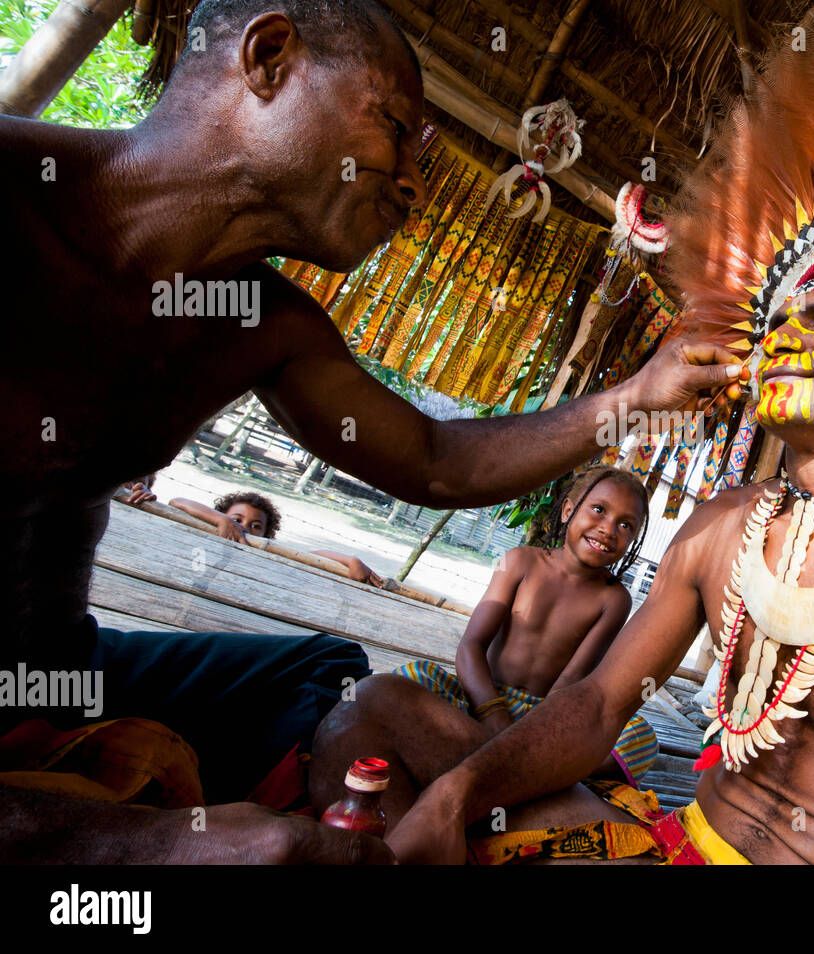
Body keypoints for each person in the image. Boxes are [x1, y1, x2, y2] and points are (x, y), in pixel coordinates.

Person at [330, 0, 814, 864]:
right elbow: (601, 706)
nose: (786, 337)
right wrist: (461, 795)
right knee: (372, 713)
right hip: (676, 843)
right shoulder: (720, 527)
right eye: (776, 322)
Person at [0, 0, 743, 863]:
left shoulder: (255, 323)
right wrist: (141, 848)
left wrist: (644, 391)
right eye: (395, 126)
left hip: (63, 673)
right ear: (269, 56)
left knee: (326, 677)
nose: (415, 181)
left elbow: (437, 461)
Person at [314, 467, 658, 811]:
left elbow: (571, 682)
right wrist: (492, 714)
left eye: (626, 525)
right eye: (598, 510)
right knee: (410, 676)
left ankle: (534, 766)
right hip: (477, 696)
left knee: (641, 738)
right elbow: (471, 646)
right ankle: (531, 774)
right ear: (568, 510)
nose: (608, 529)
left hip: (543, 714)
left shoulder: (614, 600)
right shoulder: (521, 561)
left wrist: (537, 735)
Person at [170, 490, 384, 585]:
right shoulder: (210, 531)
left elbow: (308, 556)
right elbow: (177, 501)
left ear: (265, 533)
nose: (243, 528)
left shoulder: (261, 552)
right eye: (237, 519)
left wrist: (350, 560)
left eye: (255, 526)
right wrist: (221, 521)